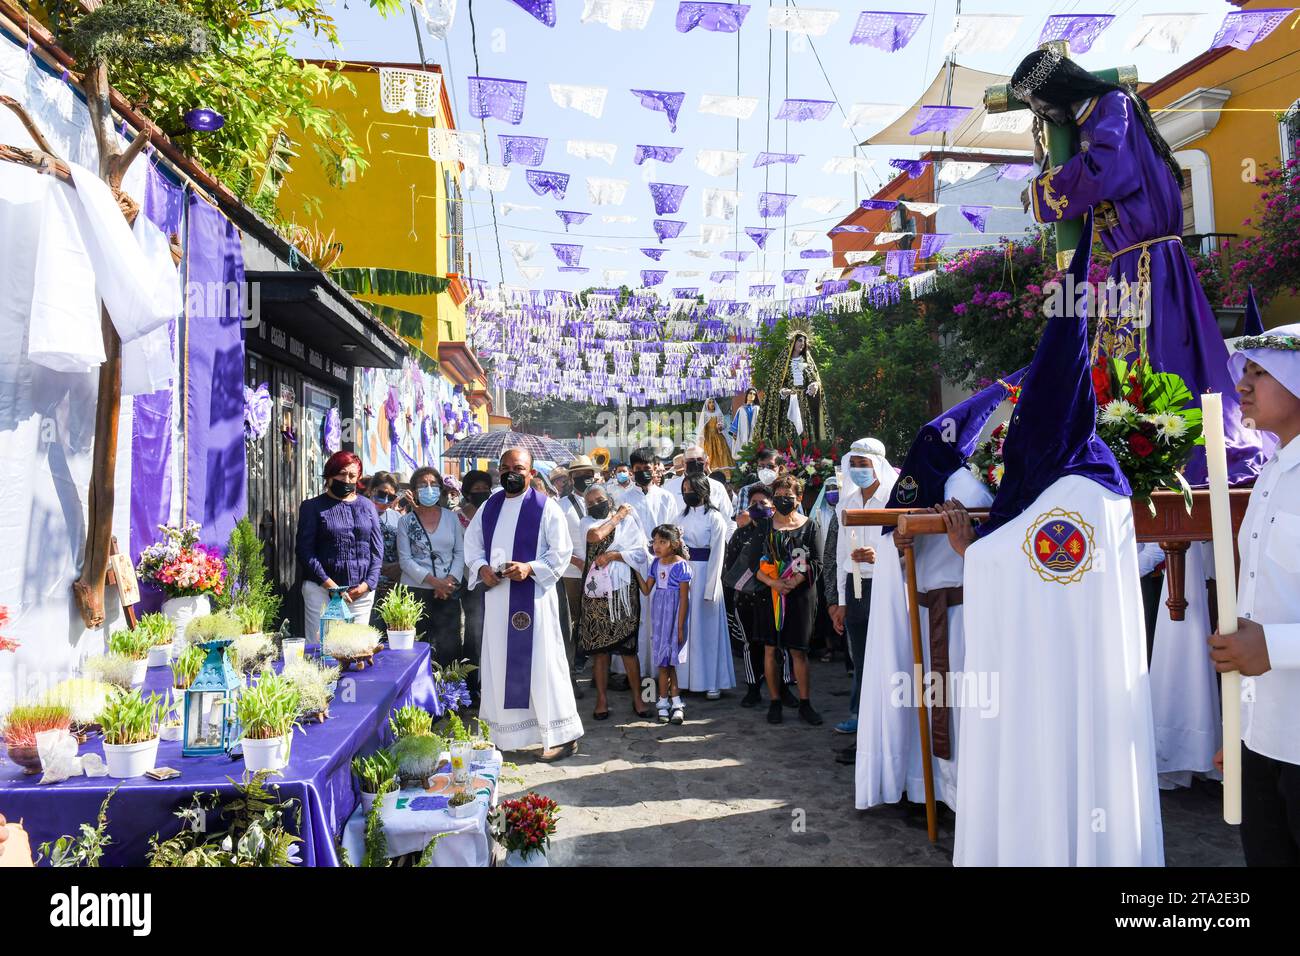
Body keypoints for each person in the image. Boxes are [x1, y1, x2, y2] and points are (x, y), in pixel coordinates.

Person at [946, 213, 1162, 865]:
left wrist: (969, 552)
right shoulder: (1107, 482)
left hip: (1047, 672)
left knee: (1043, 761)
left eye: (1025, 426)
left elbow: (1021, 561)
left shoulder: (1068, 494)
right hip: (1089, 670)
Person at [1012, 47, 1264, 487]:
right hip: (1126, 263)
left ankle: (1182, 454)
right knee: (1116, 362)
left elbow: (1104, 169)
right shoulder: (1082, 124)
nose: (1040, 111)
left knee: (1160, 352)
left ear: (1057, 89)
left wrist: (1043, 191)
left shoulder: (1114, 105)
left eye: (1038, 101)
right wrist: (1045, 165)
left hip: (1152, 262)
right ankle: (1128, 450)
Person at [853, 373, 1022, 803]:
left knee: (963, 706)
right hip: (934, 613)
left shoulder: (969, 485)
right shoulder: (952, 484)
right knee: (938, 705)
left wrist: (902, 540)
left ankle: (959, 792)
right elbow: (896, 540)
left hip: (959, 614)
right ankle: (936, 788)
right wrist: (899, 542)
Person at [1207, 321, 1300, 865]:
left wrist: (1276, 649)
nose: (1243, 384)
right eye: (1244, 371)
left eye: (1260, 372)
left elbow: (1264, 639)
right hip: (1263, 741)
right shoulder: (1270, 473)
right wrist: (1239, 730)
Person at [464, 447, 582, 761]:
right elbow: (473, 545)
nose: (510, 473)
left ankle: (562, 736)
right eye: (504, 467)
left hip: (533, 599)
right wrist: (481, 569)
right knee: (498, 662)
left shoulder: (546, 507)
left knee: (543, 664)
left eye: (518, 467)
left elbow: (561, 552)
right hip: (498, 598)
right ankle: (504, 735)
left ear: (531, 473)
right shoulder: (489, 506)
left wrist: (530, 568)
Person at [826, 438, 895, 736]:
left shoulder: (894, 500)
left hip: (888, 584)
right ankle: (860, 714)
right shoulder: (848, 502)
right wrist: (841, 601)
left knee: (888, 652)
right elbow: (842, 553)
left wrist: (881, 557)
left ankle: (889, 717)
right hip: (856, 586)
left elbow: (907, 546)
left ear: (877, 465)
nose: (857, 470)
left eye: (863, 464)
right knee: (861, 657)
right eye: (853, 464)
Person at [744, 474, 822, 726]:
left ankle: (805, 703)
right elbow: (752, 561)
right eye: (778, 497)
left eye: (788, 497)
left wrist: (795, 581)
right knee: (770, 648)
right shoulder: (765, 527)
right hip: (771, 595)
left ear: (799, 499)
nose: (783, 501)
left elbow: (817, 561)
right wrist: (774, 583)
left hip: (799, 595)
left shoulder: (810, 526)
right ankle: (775, 701)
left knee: (798, 650)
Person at [296, 450, 383, 648]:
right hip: (321, 592)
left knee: (357, 649)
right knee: (322, 648)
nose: (346, 479)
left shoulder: (368, 506)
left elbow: (377, 552)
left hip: (359, 595)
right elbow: (304, 551)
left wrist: (368, 584)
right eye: (341, 474)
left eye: (352, 476)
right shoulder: (312, 507)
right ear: (329, 475)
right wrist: (330, 585)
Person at [579, 485, 651, 721]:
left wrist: (614, 555)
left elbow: (640, 552)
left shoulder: (630, 522)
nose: (594, 505)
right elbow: (596, 537)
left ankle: (638, 698)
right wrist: (619, 516)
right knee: (601, 652)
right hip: (597, 593)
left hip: (623, 591)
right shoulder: (587, 522)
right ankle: (601, 700)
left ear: (608, 500)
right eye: (590, 502)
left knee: (628, 649)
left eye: (599, 500)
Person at [728, 484, 796, 709]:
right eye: (753, 504)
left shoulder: (780, 531)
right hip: (747, 599)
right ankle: (753, 688)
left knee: (780, 645)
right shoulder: (741, 534)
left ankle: (785, 688)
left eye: (763, 503)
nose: (758, 507)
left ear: (772, 505)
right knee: (750, 645)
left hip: (775, 596)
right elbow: (732, 567)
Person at [616, 447, 678, 676]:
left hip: (662, 562)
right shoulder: (623, 499)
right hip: (636, 563)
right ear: (632, 471)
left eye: (647, 469)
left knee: (659, 615)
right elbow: (621, 532)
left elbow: (672, 529)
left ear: (656, 470)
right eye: (638, 469)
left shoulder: (666, 497)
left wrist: (663, 550)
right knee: (638, 617)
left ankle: (659, 668)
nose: (643, 472)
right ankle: (636, 671)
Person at [396, 465, 465, 667]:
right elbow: (405, 560)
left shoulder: (452, 518)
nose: (428, 488)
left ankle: (450, 694)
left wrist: (448, 582)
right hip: (416, 592)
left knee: (450, 646)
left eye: (433, 484)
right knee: (417, 645)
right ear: (414, 490)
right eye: (422, 484)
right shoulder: (406, 522)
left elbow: (459, 553)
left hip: (448, 591)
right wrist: (435, 583)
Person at [677, 472, 736, 699]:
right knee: (686, 629)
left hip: (706, 576)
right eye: (684, 490)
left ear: (702, 490)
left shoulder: (715, 518)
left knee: (708, 631)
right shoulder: (679, 517)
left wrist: (710, 586)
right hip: (684, 575)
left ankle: (712, 681)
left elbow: (718, 554)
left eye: (690, 490)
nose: (687, 494)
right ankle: (684, 678)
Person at [641, 524, 693, 724]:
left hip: (674, 620)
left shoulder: (680, 566)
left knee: (668, 663)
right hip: (659, 619)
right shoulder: (655, 564)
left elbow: (684, 599)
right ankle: (671, 703)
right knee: (664, 664)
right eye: (654, 541)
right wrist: (635, 569)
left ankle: (669, 703)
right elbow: (646, 589)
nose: (657, 546)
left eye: (662, 542)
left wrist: (680, 627)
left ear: (674, 544)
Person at [753, 327, 831, 452]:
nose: (802, 344)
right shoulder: (782, 363)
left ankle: (807, 456)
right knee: (790, 429)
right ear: (793, 342)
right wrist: (783, 391)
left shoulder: (807, 361)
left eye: (804, 341)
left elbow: (815, 379)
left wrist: (815, 385)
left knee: (805, 429)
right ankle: (789, 455)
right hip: (788, 403)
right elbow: (774, 385)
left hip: (804, 403)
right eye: (800, 340)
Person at [458, 469, 493, 704]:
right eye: (476, 490)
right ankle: (471, 686)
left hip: (495, 581)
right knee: (473, 634)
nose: (481, 493)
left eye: (484, 489)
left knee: (494, 634)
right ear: (467, 493)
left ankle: (490, 685)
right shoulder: (458, 517)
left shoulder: (494, 512)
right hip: (471, 583)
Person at [663, 445, 733, 532]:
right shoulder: (669, 488)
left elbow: (728, 520)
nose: (695, 463)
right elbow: (664, 521)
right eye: (691, 461)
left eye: (699, 460)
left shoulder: (717, 487)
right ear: (683, 463)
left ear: (706, 462)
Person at [365, 470, 404, 625]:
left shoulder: (397, 518)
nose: (386, 499)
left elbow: (404, 550)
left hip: (393, 585)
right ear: (371, 491)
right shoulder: (359, 512)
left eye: (392, 497)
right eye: (382, 493)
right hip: (367, 583)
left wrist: (399, 568)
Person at [697, 397, 736, 469]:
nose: (712, 404)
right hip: (708, 439)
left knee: (722, 453)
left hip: (718, 437)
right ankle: (711, 472)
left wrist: (720, 426)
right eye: (710, 402)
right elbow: (702, 427)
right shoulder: (705, 414)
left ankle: (726, 474)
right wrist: (702, 437)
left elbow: (724, 424)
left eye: (713, 402)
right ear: (707, 405)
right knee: (710, 455)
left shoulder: (718, 413)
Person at [728, 387, 761, 458]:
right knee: (743, 452)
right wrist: (734, 433)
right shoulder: (741, 409)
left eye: (754, 394)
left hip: (754, 435)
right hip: (743, 435)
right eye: (750, 393)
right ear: (747, 395)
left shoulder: (757, 409)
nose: (752, 395)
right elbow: (736, 421)